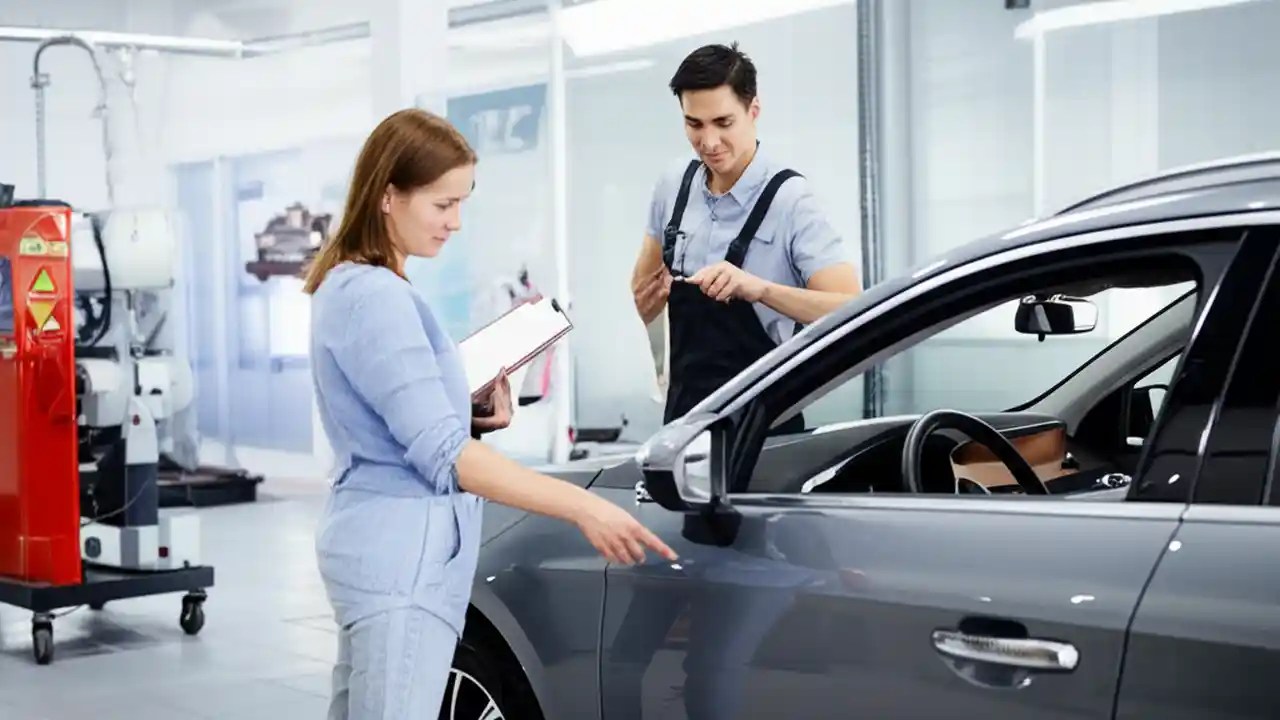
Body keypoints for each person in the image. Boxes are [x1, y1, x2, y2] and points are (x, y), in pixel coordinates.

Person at [303, 108, 677, 719]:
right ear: (388, 195)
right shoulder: (377, 297)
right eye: (442, 204)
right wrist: (584, 505)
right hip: (402, 560)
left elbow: (389, 419)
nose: (455, 223)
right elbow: (444, 455)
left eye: (462, 204)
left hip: (378, 547)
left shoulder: (352, 284)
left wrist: (467, 415)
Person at [631, 42, 861, 432]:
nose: (709, 142)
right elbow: (644, 290)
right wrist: (646, 305)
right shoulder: (673, 185)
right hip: (684, 425)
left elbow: (850, 311)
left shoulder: (791, 201)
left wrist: (759, 290)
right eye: (694, 124)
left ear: (753, 111)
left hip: (767, 431)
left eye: (723, 123)